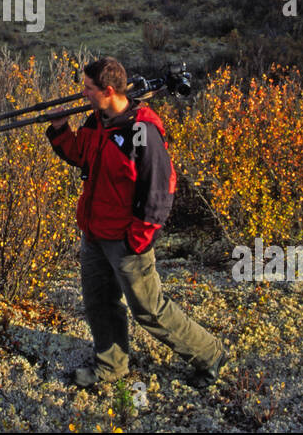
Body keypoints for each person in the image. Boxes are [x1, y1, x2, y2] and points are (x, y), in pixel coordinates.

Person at [45, 56, 228, 388]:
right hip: (95, 232)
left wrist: (137, 240)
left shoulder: (142, 131)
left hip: (125, 239)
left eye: (88, 88)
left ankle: (209, 353)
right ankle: (111, 367)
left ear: (109, 90)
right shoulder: (96, 121)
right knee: (99, 302)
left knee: (148, 309)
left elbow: (160, 191)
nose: (83, 94)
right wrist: (60, 130)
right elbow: (79, 154)